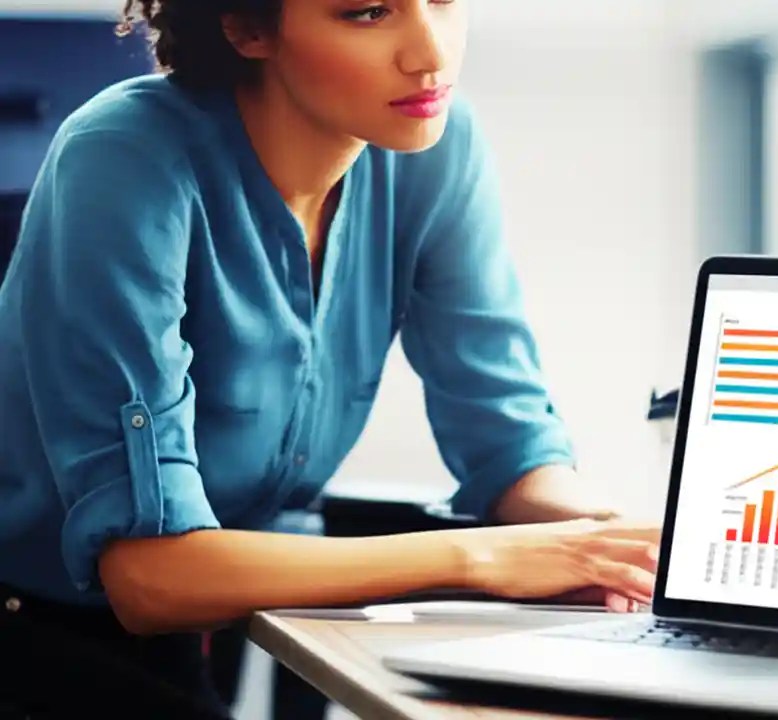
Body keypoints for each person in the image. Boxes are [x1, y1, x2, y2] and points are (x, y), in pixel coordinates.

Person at [0, 0, 661, 716]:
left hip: (226, 602)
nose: (429, 54)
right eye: (368, 13)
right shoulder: (122, 154)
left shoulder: (437, 144)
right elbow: (150, 574)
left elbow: (509, 445)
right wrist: (489, 559)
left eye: (442, 0)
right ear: (248, 28)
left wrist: (615, 541)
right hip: (33, 625)